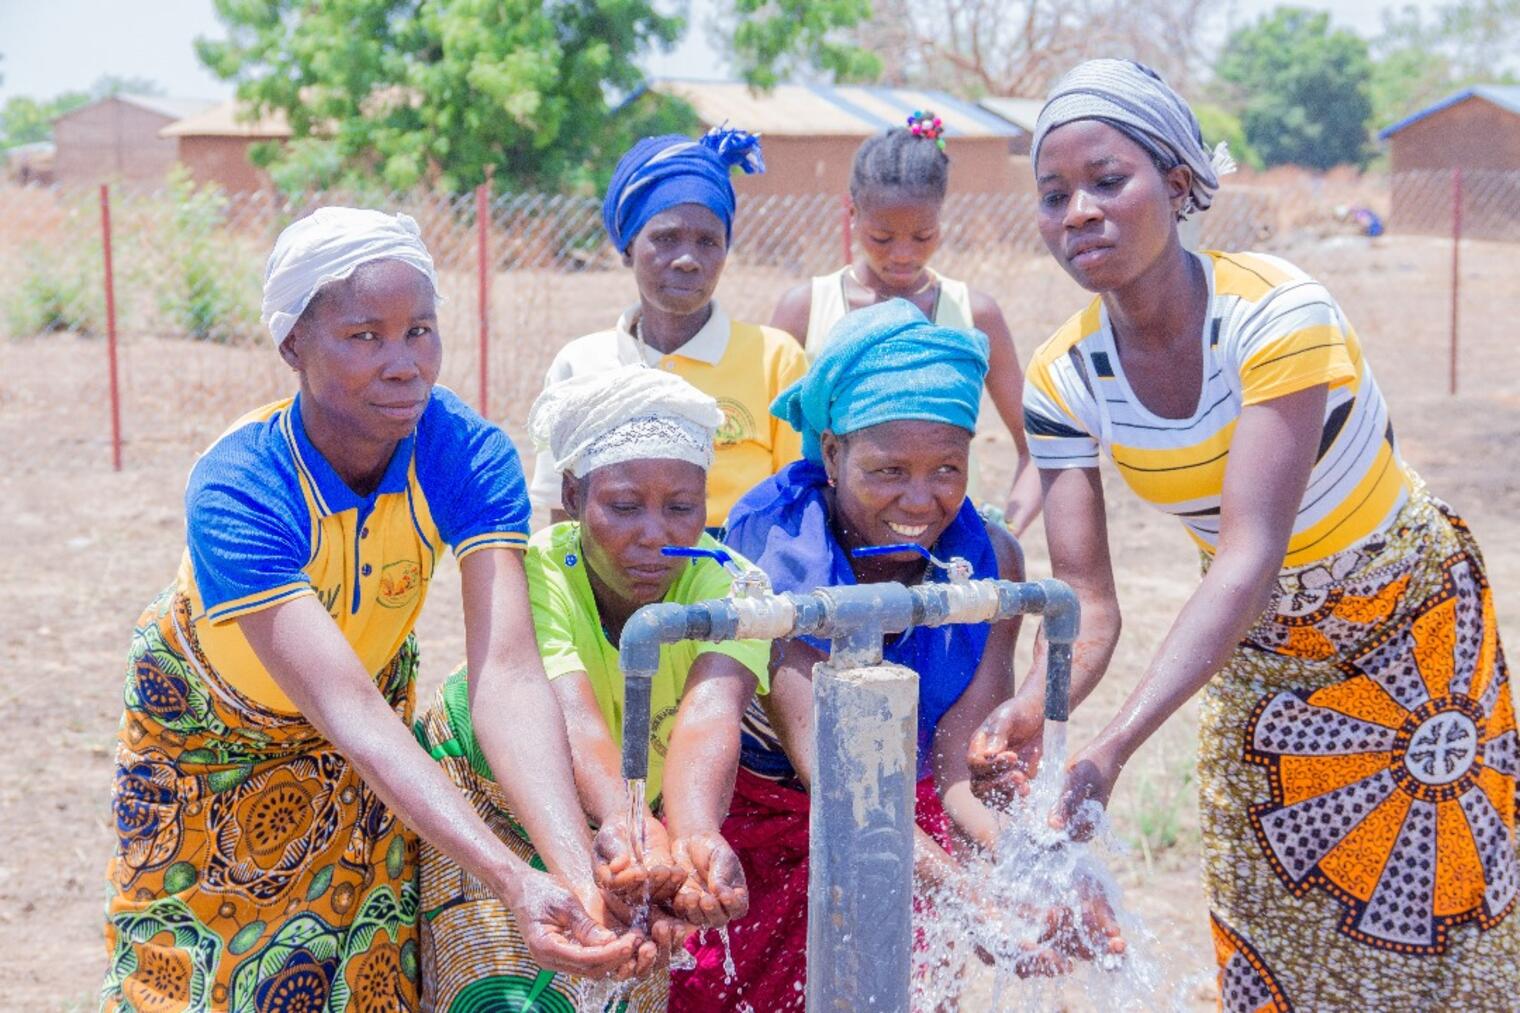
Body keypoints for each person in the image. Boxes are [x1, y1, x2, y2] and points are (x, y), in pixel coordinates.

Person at [970, 59, 1520, 1010]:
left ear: (1178, 183)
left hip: (1412, 631)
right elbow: (1090, 600)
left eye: (1108, 180)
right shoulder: (1065, 377)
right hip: (1255, 649)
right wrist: (1037, 704)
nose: (1079, 212)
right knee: (1265, 920)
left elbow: (1249, 553)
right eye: (1054, 195)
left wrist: (1114, 747)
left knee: (1442, 917)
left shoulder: (1275, 313)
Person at [101, 208, 645, 1010]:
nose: (404, 365)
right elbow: (345, 707)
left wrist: (573, 880)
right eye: (365, 336)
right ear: (294, 345)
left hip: (366, 743)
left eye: (420, 331)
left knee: (363, 973)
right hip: (209, 746)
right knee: (189, 980)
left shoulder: (462, 452)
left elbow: (507, 673)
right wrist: (508, 877)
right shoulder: (243, 486)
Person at [668, 299, 1035, 1011]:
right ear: (833, 454)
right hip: (765, 826)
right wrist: (969, 897)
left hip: (908, 823)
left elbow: (955, 769)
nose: (920, 499)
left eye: (947, 469)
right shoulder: (773, 551)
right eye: (889, 469)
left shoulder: (991, 562)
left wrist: (1020, 875)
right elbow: (836, 775)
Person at [416, 365, 769, 1009]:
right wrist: (631, 825)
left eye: (682, 508)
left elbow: (709, 716)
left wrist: (689, 837)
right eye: (625, 507)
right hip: (493, 791)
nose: (655, 535)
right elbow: (570, 720)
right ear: (574, 496)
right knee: (500, 991)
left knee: (623, 973)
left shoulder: (735, 587)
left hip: (632, 819)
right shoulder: (536, 572)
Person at [768, 112, 1042, 532]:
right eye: (882, 237)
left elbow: (1035, 446)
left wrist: (1004, 533)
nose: (902, 254)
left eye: (922, 236)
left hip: (945, 539)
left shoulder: (973, 314)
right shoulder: (805, 309)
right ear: (852, 214)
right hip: (826, 543)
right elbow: (766, 444)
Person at [527, 127, 808, 531]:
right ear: (628, 248)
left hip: (744, 567)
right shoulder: (582, 366)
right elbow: (562, 517)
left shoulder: (775, 360)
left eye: (708, 242)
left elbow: (798, 501)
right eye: (666, 238)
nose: (687, 259)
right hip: (613, 568)